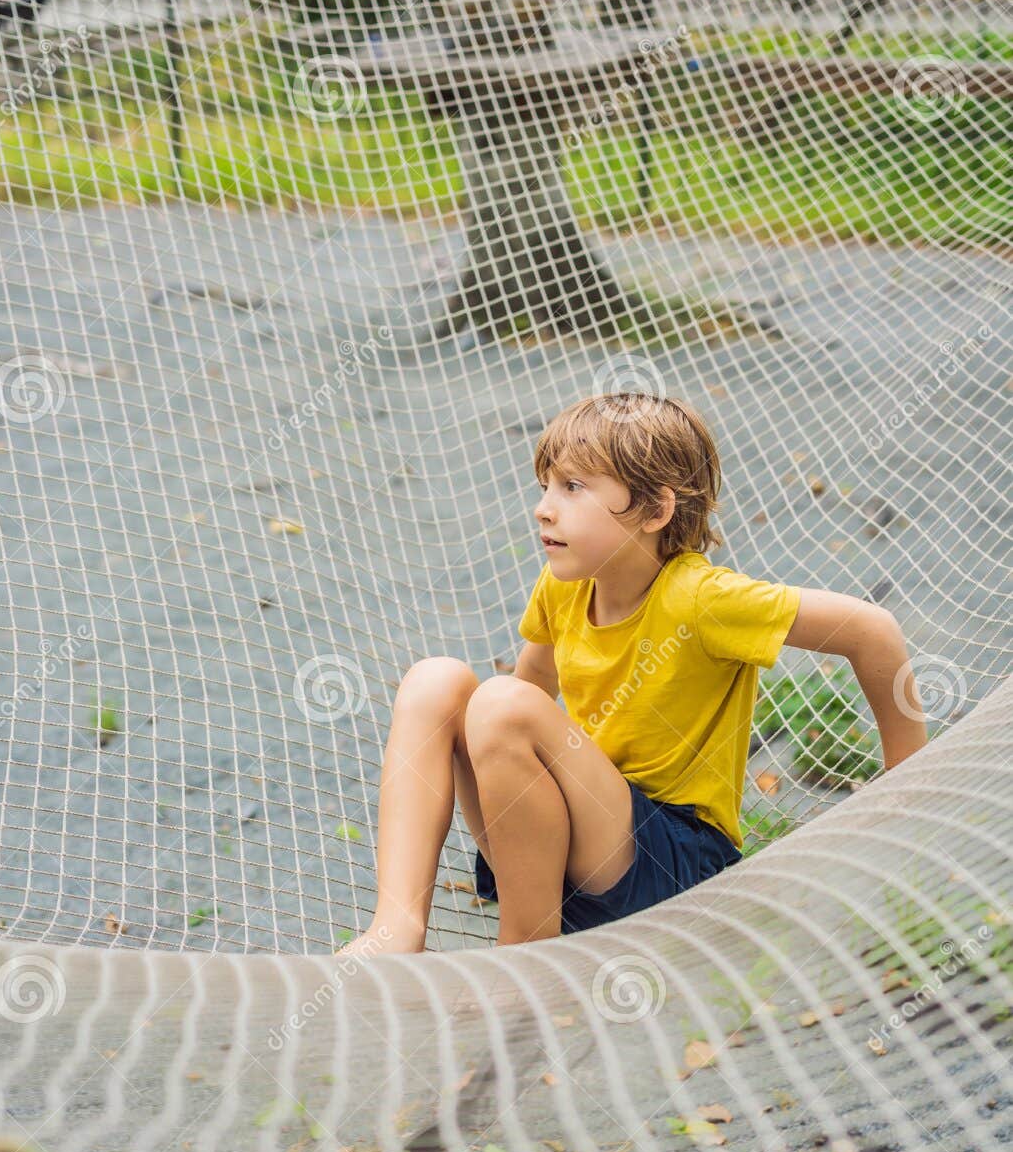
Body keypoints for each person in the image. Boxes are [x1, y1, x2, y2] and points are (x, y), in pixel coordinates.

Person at [335, 393, 927, 956]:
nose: (544, 506)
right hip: (559, 853)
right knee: (435, 681)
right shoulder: (564, 586)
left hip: (672, 864)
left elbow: (870, 630)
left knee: (501, 703)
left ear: (655, 509)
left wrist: (905, 782)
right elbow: (522, 702)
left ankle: (524, 952)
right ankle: (397, 926)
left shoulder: (702, 598)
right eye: (545, 485)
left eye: (572, 487)